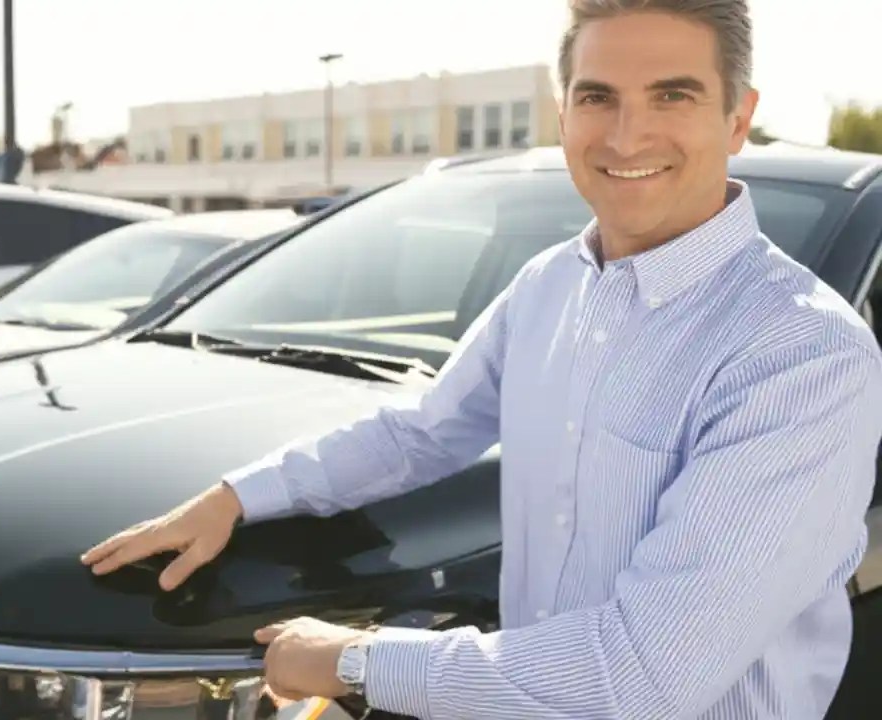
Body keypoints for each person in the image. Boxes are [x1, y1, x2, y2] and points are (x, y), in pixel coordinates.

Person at [81, 0, 882, 717]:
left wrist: (350, 662)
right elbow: (420, 433)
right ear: (563, 113)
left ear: (738, 118)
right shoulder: (547, 288)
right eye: (597, 96)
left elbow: (641, 680)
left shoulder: (802, 355)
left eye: (673, 95)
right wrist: (237, 497)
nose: (626, 134)